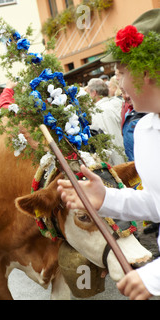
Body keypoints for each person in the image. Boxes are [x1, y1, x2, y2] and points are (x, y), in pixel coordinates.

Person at [57, 9, 160, 300]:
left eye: (121, 72)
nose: (121, 84)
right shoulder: (146, 131)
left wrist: (155, 275)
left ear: (147, 72)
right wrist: (106, 198)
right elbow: (157, 203)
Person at [86, 78, 125, 165]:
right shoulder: (112, 104)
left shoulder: (102, 111)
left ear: (94, 93)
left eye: (88, 93)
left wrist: (119, 167)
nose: (87, 97)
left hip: (118, 163)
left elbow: (113, 140)